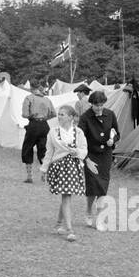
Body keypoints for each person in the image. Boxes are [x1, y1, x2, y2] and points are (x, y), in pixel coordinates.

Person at [41, 102, 88, 241]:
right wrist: (44, 169)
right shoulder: (53, 132)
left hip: (73, 167)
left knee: (66, 196)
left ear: (70, 117)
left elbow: (84, 150)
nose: (59, 117)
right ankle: (69, 229)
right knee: (66, 196)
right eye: (58, 114)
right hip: (59, 168)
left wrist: (77, 152)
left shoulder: (78, 132)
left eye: (62, 115)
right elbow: (49, 152)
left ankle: (61, 225)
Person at [78, 90, 120, 229]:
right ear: (91, 104)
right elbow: (80, 138)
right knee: (92, 186)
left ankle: (100, 219)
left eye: (101, 105)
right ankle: (89, 211)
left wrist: (112, 140)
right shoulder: (85, 118)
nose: (99, 108)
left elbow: (117, 133)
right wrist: (86, 158)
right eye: (96, 105)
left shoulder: (110, 114)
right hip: (90, 155)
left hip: (105, 156)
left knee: (103, 186)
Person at [21, 80, 53, 183]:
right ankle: (46, 175)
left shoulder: (29, 98)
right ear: (39, 87)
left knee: (28, 148)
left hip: (33, 125)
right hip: (44, 126)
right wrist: (44, 118)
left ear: (31, 88)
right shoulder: (47, 100)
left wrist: (31, 116)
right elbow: (53, 114)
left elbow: (25, 114)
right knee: (43, 150)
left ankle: (29, 176)